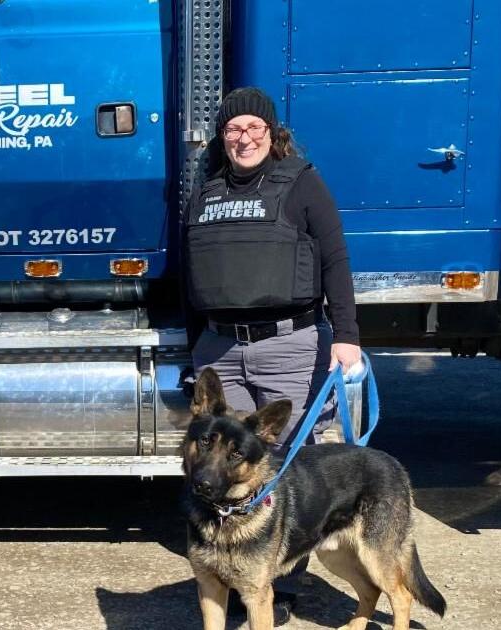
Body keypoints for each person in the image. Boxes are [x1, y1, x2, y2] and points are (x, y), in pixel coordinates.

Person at [184, 86, 362, 626]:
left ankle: (280, 582)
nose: (244, 138)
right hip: (221, 345)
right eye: (234, 129)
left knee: (287, 464)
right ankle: (233, 572)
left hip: (289, 343)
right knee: (225, 464)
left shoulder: (301, 182)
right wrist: (196, 345)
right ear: (222, 137)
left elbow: (334, 258)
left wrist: (347, 335)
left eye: (254, 128)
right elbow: (194, 272)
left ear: (271, 133)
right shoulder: (205, 190)